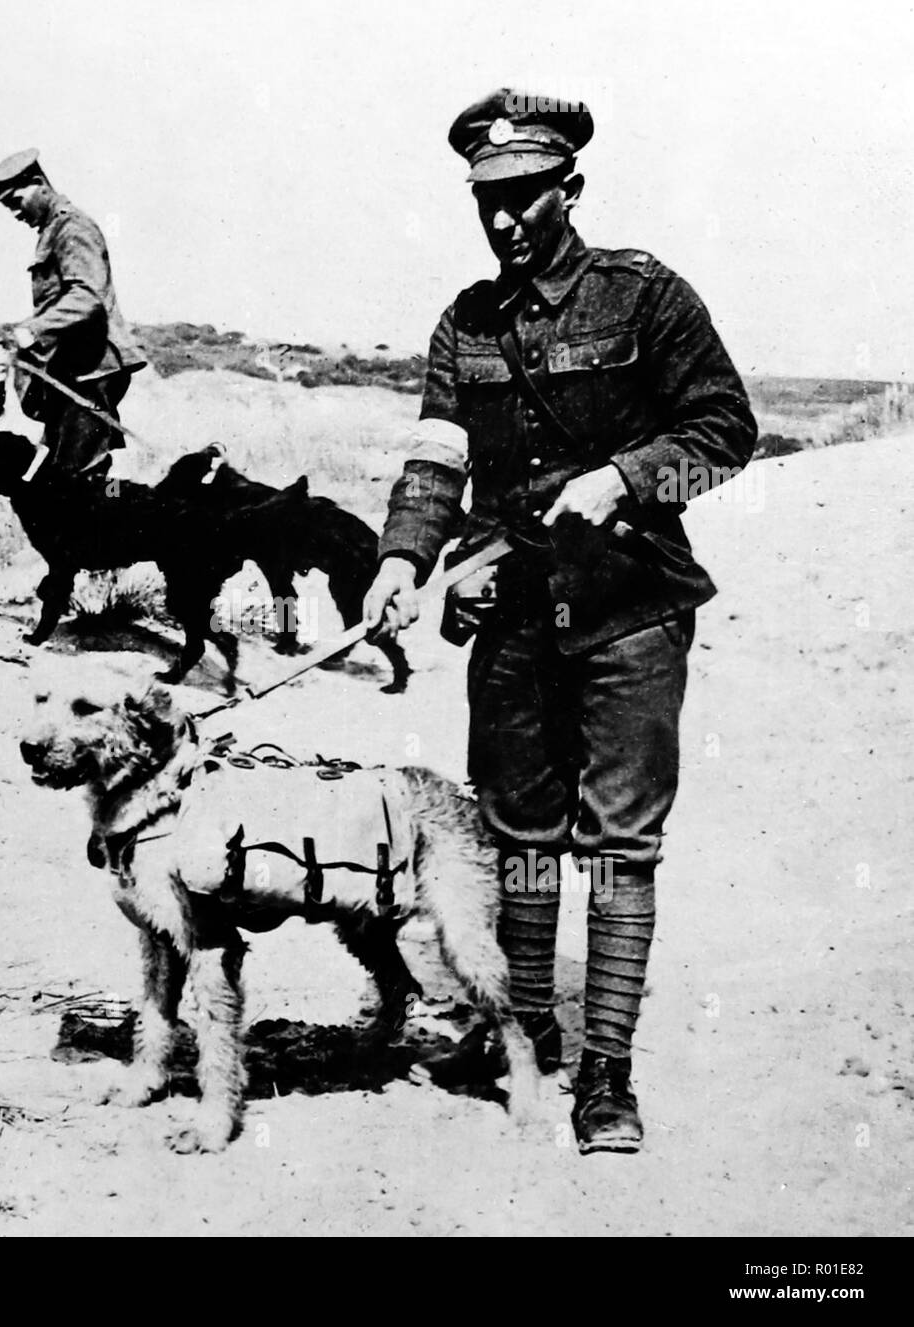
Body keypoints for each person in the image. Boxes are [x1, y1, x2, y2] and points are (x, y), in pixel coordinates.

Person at [362, 89, 757, 1153]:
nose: (504, 220)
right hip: (513, 619)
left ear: (568, 188)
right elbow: (437, 454)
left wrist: (627, 478)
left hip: (631, 615)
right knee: (520, 838)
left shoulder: (644, 296)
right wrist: (402, 558)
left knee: (620, 849)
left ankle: (607, 1080)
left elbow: (725, 428)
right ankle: (524, 1035)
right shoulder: (466, 320)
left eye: (525, 197)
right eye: (487, 200)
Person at [0, 148, 146, 478]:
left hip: (92, 372)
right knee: (67, 473)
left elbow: (87, 297)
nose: (14, 213)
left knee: (77, 480)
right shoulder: (52, 232)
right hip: (74, 372)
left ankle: (112, 517)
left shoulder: (72, 228)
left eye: (16, 200)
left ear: (39, 184)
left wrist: (33, 329)